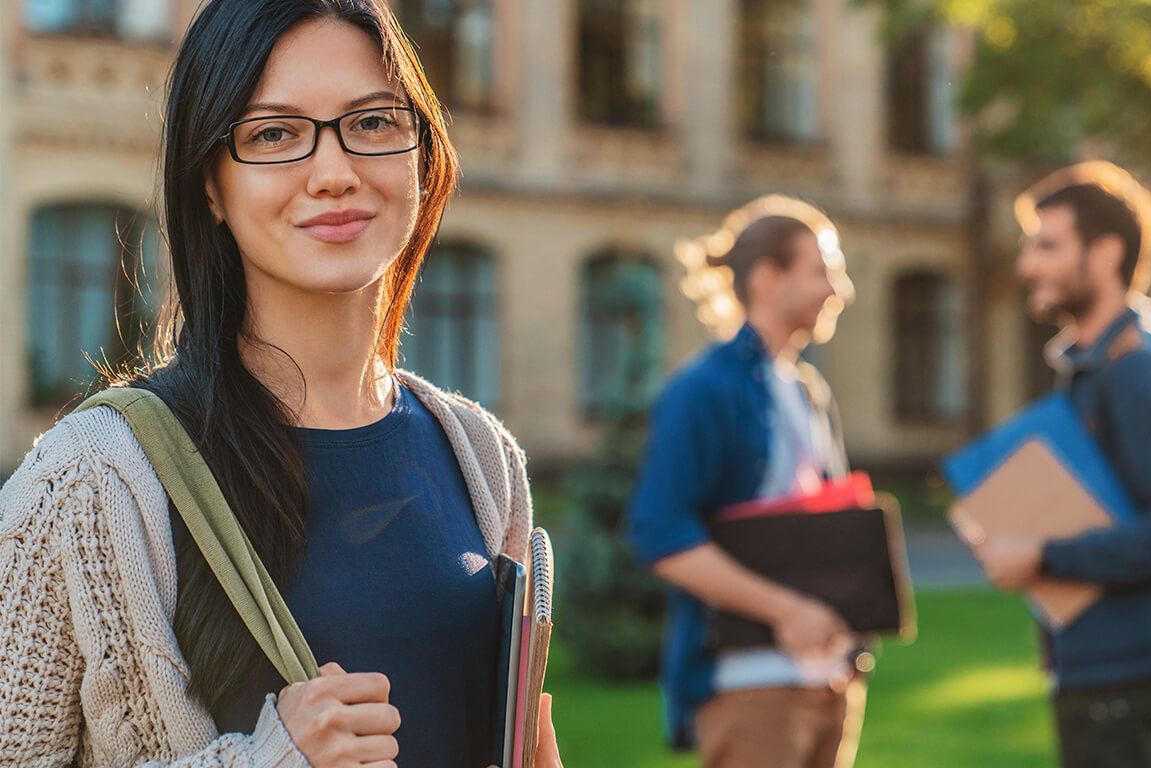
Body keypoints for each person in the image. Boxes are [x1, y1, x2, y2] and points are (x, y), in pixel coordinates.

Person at [0, 1, 562, 766]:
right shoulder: (88, 479)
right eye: (274, 134)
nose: (334, 174)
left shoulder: (481, 457)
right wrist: (267, 759)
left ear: (421, 154)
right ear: (209, 184)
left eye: (372, 122)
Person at [969, 161, 1151, 768]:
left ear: (1105, 254)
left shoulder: (1136, 371)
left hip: (1122, 679)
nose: (1027, 266)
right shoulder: (1103, 363)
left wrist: (1042, 555)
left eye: (1048, 246)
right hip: (1103, 669)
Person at [627, 206, 864, 768]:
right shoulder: (702, 389)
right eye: (822, 270)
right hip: (750, 681)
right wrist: (787, 612)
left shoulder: (808, 390)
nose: (839, 290)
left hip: (830, 679)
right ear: (767, 279)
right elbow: (660, 534)